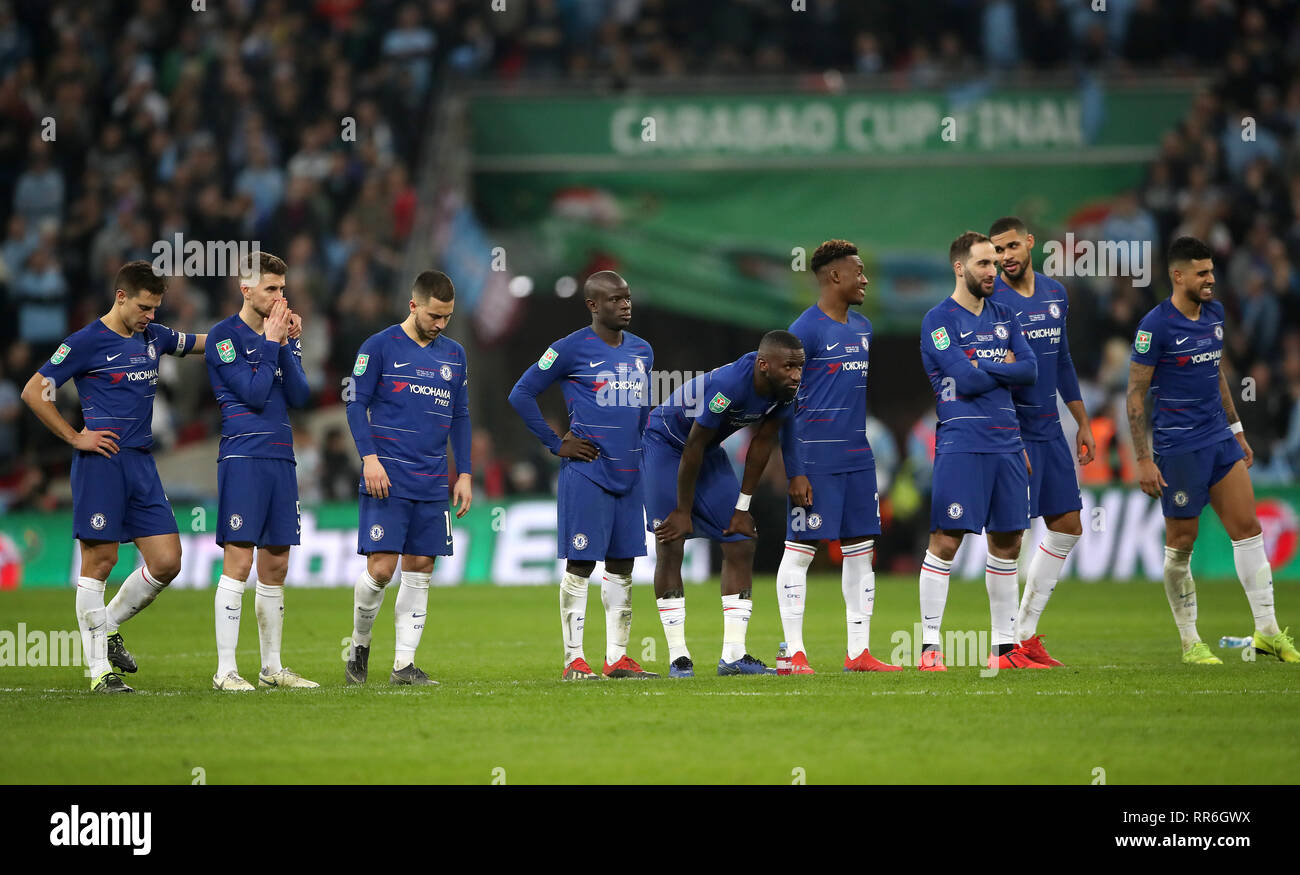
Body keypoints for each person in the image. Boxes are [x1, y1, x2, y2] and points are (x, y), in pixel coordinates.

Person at [20, 260, 205, 692]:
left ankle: (108, 626)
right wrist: (75, 436)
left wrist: (256, 328)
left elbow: (204, 343)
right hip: (101, 463)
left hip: (141, 463)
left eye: (156, 308)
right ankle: (99, 671)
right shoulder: (85, 342)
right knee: (99, 562)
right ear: (120, 297)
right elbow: (34, 390)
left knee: (167, 561)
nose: (151, 316)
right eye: (144, 306)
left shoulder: (153, 337)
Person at [1127, 236, 1298, 665]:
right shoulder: (1155, 325)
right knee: (1181, 544)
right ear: (1177, 275)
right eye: (1202, 273)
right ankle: (1190, 642)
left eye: (1212, 271)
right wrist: (1143, 457)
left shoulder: (1216, 314)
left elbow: (1216, 373)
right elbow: (1135, 394)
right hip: (1178, 447)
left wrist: (1237, 430)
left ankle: (1268, 632)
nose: (1211, 280)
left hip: (1219, 439)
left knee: (1249, 529)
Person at [508, 270, 656, 680]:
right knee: (581, 565)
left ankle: (617, 658)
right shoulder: (567, 349)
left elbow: (641, 411)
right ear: (593, 305)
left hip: (630, 473)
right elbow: (520, 393)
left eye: (627, 298)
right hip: (588, 472)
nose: (625, 305)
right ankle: (574, 660)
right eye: (615, 299)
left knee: (623, 565)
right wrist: (556, 443)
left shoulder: (643, 351)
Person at [916, 232, 1044, 671]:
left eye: (995, 263)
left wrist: (985, 365)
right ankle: (929, 647)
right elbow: (964, 382)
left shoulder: (1006, 315)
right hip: (961, 443)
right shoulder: (937, 320)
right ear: (960, 267)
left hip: (1008, 442)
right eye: (984, 264)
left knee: (1008, 542)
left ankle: (1005, 649)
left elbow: (1029, 371)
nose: (994, 271)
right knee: (946, 541)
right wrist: (1002, 367)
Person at [646, 331, 804, 677]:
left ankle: (733, 655)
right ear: (764, 365)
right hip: (668, 442)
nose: (796, 375)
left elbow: (761, 445)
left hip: (706, 449)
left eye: (800, 367)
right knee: (671, 541)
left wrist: (742, 508)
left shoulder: (786, 391)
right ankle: (678, 656)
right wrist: (683, 511)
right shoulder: (731, 385)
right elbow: (692, 447)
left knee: (741, 539)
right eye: (789, 367)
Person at [776, 239, 900, 674]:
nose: (865, 279)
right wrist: (796, 470)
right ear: (834, 276)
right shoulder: (803, 331)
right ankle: (792, 652)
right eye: (859, 271)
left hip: (858, 458)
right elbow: (785, 408)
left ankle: (859, 652)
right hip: (816, 459)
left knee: (860, 551)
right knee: (801, 550)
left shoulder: (863, 328)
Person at [344, 270, 472, 686]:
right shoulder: (379, 347)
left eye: (447, 317)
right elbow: (354, 405)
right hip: (387, 476)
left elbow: (461, 417)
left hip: (432, 480)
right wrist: (369, 459)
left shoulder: (454, 355)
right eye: (435, 316)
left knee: (421, 567)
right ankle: (359, 645)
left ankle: (403, 665)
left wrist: (465, 473)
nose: (441, 325)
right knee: (381, 570)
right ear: (413, 305)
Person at [204, 251, 316, 690]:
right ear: (245, 289)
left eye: (283, 290)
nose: (279, 298)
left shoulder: (281, 334)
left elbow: (303, 395)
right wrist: (272, 342)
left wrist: (287, 345)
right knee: (239, 559)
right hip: (243, 457)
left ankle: (272, 668)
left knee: (277, 563)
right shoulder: (222, 338)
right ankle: (225, 671)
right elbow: (251, 394)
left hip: (281, 456)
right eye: (271, 289)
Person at [988, 216, 1097, 666]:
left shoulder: (1056, 294)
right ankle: (1003, 644)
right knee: (1010, 537)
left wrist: (1083, 422)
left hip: (1051, 428)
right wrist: (1009, 437)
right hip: (1014, 430)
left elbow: (1064, 361)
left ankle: (1025, 634)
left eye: (1012, 246)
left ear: (1030, 243)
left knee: (1068, 525)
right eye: (997, 252)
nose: (1006, 257)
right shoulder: (993, 300)